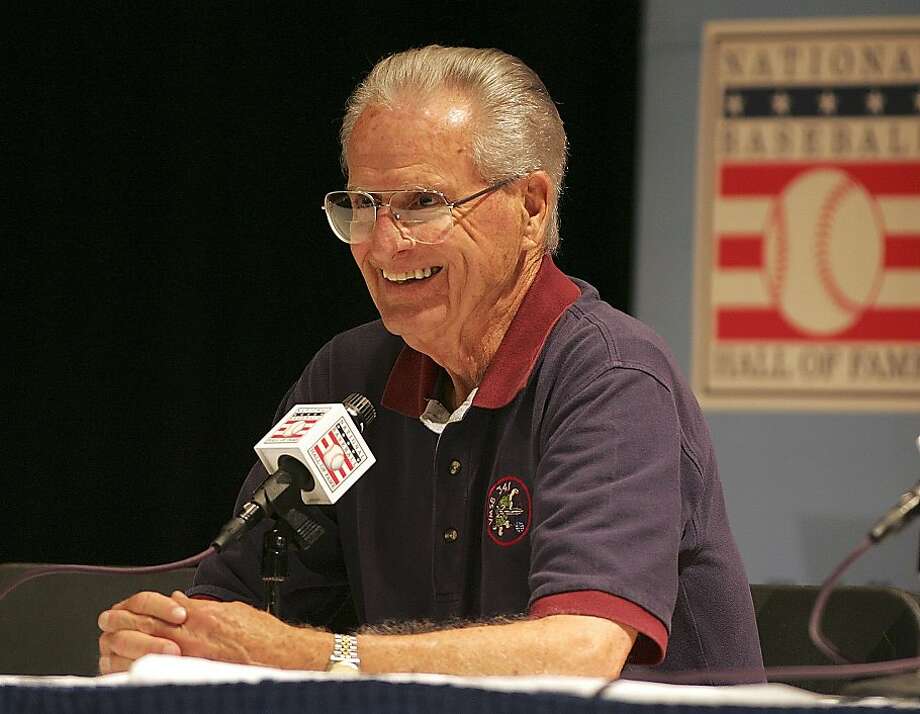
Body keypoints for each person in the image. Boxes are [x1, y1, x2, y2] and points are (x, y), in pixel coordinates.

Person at [97, 45, 763, 681]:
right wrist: (169, 639)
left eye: (422, 204)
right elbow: (236, 609)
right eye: (362, 205)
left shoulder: (612, 376)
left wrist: (316, 658)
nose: (384, 246)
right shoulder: (347, 378)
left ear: (531, 207)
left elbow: (579, 651)